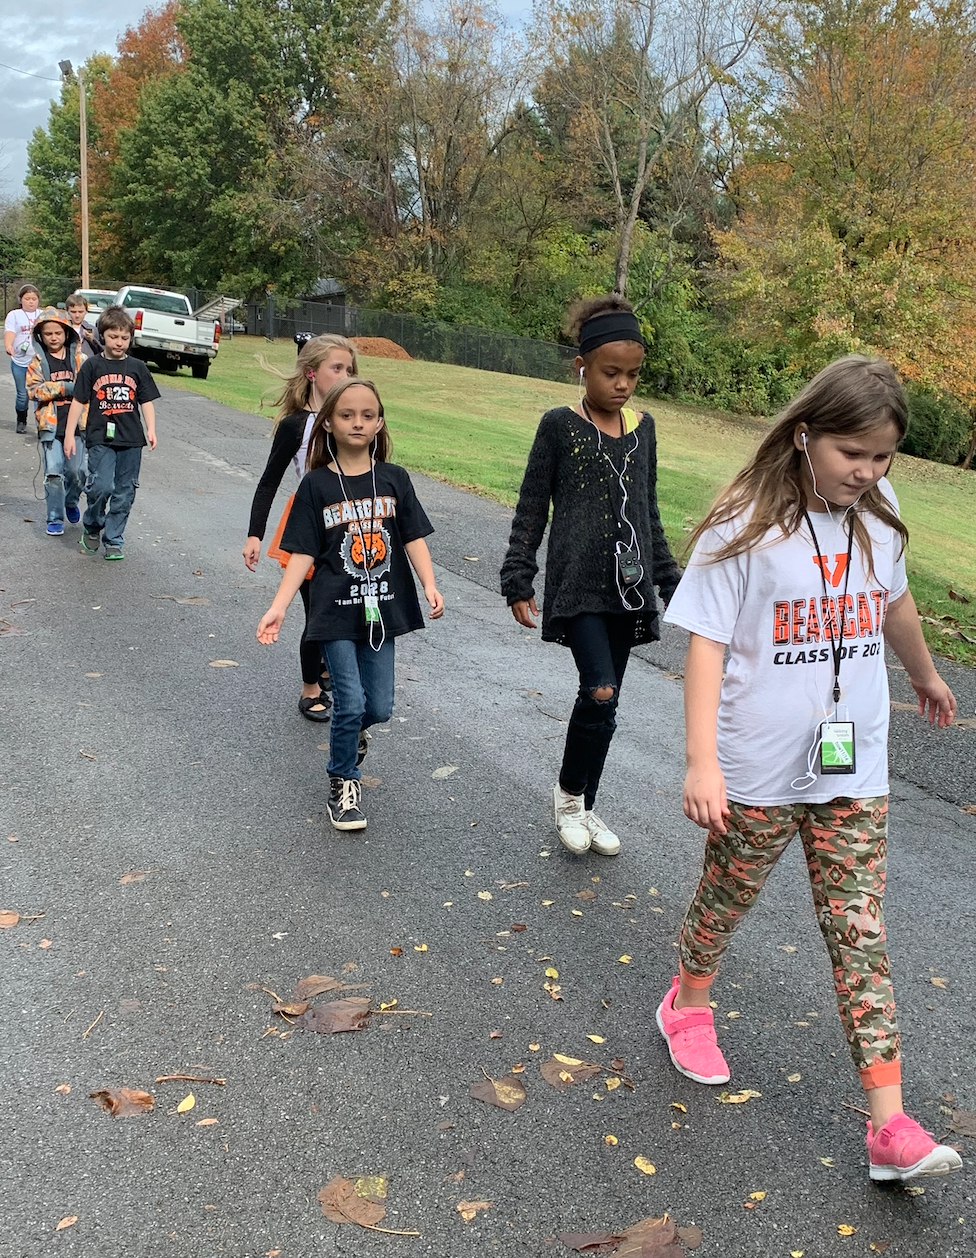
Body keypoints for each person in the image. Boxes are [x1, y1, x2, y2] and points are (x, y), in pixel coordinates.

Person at [656, 354, 962, 1184]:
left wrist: (925, 673)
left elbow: (891, 599)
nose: (866, 472)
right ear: (804, 435)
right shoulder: (744, 519)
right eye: (851, 453)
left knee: (859, 932)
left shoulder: (878, 511)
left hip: (853, 764)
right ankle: (687, 1000)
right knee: (728, 899)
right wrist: (702, 761)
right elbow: (708, 644)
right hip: (755, 766)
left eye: (882, 457)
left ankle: (889, 1128)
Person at [500, 296, 681, 856]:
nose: (623, 384)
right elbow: (534, 504)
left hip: (629, 589)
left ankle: (586, 805)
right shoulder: (559, 426)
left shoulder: (643, 429)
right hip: (578, 584)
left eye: (632, 374)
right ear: (581, 365)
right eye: (611, 372)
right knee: (599, 690)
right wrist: (518, 574)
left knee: (610, 702)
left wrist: (670, 577)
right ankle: (569, 798)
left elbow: (647, 509)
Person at [256, 378, 443, 832]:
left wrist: (430, 584)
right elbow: (301, 552)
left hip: (383, 608)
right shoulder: (317, 485)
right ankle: (343, 783)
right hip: (334, 611)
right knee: (351, 700)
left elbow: (412, 536)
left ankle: (354, 733)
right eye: (346, 415)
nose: (357, 422)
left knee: (378, 706)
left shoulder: (394, 479)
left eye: (367, 415)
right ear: (328, 424)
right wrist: (279, 605)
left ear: (379, 423)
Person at [244, 334, 358, 721]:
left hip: (354, 520)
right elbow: (269, 481)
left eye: (349, 369)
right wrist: (255, 534)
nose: (345, 375)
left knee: (352, 604)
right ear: (312, 373)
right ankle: (311, 686)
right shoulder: (296, 426)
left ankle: (328, 662)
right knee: (319, 612)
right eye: (336, 368)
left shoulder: (354, 416)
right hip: (310, 522)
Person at [64, 306, 159, 561]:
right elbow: (78, 401)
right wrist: (69, 434)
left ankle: (114, 538)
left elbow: (147, 401)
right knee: (102, 486)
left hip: (131, 439)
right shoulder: (92, 366)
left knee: (125, 492)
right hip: (100, 438)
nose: (119, 342)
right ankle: (93, 526)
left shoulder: (138, 368)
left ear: (130, 338)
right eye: (114, 337)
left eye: (124, 338)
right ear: (102, 336)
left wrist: (151, 429)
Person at [26, 307, 88, 536]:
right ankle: (54, 518)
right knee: (53, 472)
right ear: (40, 336)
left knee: (77, 472)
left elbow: (88, 387)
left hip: (77, 427)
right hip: (51, 426)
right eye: (48, 334)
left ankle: (71, 501)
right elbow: (34, 390)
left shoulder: (80, 360)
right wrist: (65, 387)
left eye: (58, 333)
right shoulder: (37, 362)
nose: (53, 338)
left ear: (67, 334)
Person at [4, 283, 41, 432]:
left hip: (39, 362)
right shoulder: (14, 315)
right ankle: (21, 420)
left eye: (34, 298)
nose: (31, 301)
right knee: (22, 395)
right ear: (21, 300)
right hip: (20, 362)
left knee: (39, 393)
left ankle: (42, 423)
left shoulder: (42, 314)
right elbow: (10, 332)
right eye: (27, 298)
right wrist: (8, 345)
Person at [65, 292, 102, 357]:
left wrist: (92, 340)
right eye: (73, 312)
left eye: (80, 312)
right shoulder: (65, 328)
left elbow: (101, 351)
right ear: (67, 311)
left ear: (86, 311)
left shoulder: (92, 329)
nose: (77, 315)